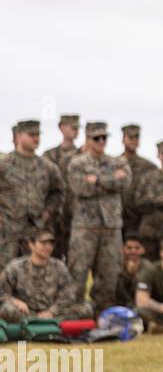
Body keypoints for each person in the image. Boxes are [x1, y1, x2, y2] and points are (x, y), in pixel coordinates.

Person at [67, 121, 130, 314]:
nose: (101, 142)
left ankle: (104, 314)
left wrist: (97, 180)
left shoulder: (118, 162)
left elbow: (125, 182)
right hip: (85, 227)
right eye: (97, 138)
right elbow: (80, 188)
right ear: (88, 139)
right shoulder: (77, 163)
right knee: (78, 272)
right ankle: (74, 313)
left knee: (109, 273)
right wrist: (111, 180)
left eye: (104, 138)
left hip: (111, 227)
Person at [0, 119, 64, 268]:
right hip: (8, 232)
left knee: (34, 274)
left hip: (36, 232)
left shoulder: (47, 167)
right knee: (5, 275)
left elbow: (58, 192)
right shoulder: (4, 165)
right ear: (19, 136)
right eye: (31, 134)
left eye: (38, 135)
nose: (36, 138)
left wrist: (48, 212)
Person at [1, 229, 92, 323]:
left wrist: (52, 312)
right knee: (7, 309)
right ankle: (42, 324)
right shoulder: (16, 267)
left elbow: (68, 295)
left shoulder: (60, 267)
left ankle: (41, 324)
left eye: (51, 243)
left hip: (53, 314)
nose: (48, 247)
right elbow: (2, 292)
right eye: (43, 243)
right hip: (27, 312)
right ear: (31, 245)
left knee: (86, 309)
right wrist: (15, 301)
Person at [42, 114, 81, 259]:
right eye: (72, 127)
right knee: (51, 257)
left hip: (74, 216)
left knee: (74, 259)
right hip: (53, 217)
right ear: (62, 128)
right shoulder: (49, 155)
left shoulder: (82, 155)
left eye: (77, 128)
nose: (76, 131)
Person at [118, 124, 156, 246]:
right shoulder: (113, 163)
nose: (134, 141)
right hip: (118, 218)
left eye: (136, 138)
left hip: (141, 219)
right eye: (130, 137)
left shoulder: (149, 166)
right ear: (123, 139)